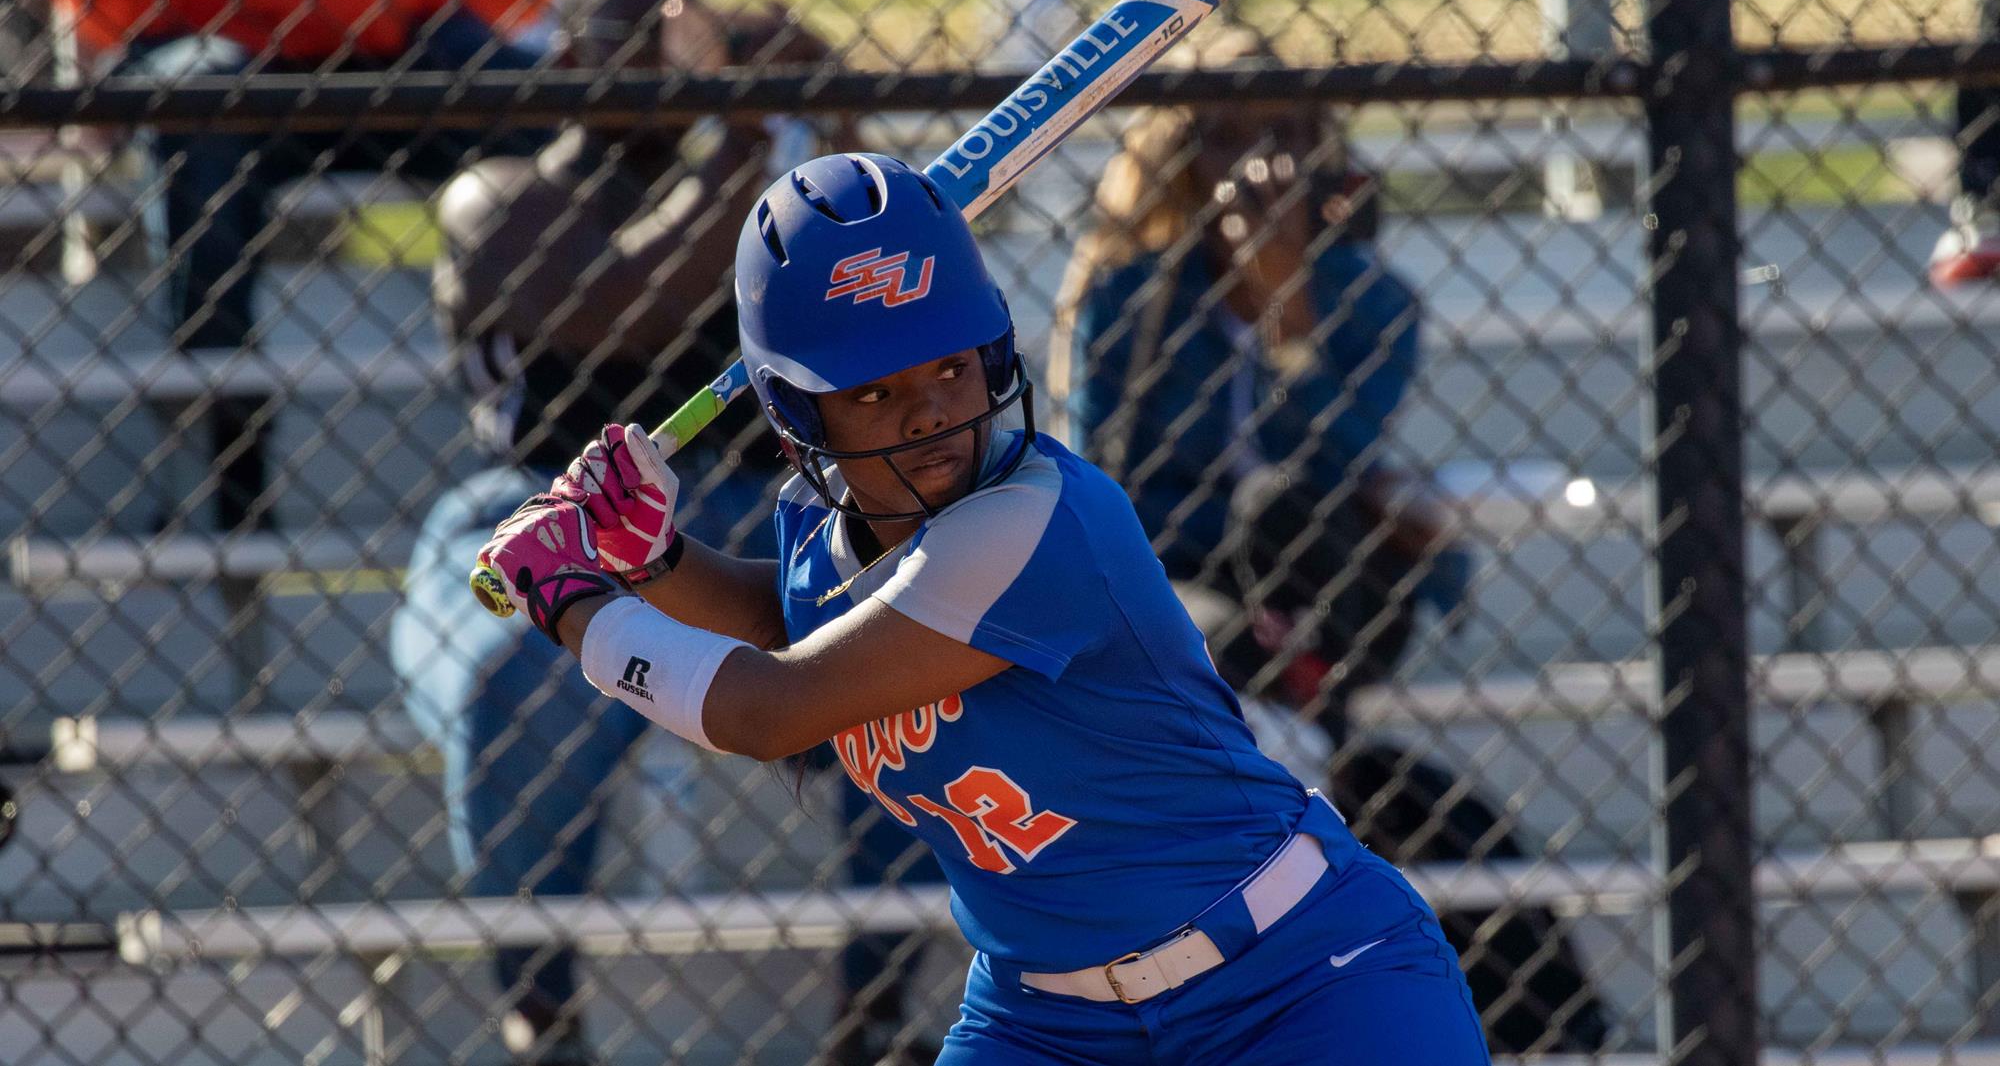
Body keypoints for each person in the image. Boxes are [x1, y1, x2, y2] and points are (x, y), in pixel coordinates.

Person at [473, 150, 1493, 1064]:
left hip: (1295, 983)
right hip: (1049, 1022)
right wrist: (650, 556)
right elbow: (791, 622)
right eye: (873, 390)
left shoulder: (1038, 523)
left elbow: (767, 709)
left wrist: (573, 601)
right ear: (795, 413)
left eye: (950, 367)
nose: (928, 412)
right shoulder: (815, 529)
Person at [391, 0, 821, 1066]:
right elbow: (615, 302)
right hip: (538, 503)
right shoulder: (499, 195)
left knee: (897, 613)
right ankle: (542, 1009)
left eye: (691, 36)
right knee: (514, 666)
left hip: (736, 499)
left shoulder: (750, 183)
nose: (681, 63)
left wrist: (814, 104)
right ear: (573, 53)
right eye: (647, 39)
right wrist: (739, 125)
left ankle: (874, 1011)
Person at [43, 0, 557, 530]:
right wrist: (243, 3)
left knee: (542, 104)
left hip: (396, 47)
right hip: (223, 57)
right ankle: (225, 457)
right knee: (200, 102)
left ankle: (562, 431)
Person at [1050, 66, 1465, 740]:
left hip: (1329, 578)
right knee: (1215, 639)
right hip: (1186, 574)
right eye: (1225, 137)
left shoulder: (1378, 303)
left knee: (1281, 505)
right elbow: (1109, 485)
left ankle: (1300, 726)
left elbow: (1340, 463)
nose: (1262, 163)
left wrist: (1289, 321)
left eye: (1288, 134)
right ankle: (1307, 742)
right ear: (1180, 160)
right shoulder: (1131, 302)